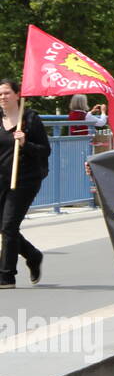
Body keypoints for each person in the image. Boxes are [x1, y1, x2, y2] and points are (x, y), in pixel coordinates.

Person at [0, 79, 50, 290]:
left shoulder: (30, 119)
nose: (3, 97)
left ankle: (6, 276)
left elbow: (45, 150)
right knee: (3, 227)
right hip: (2, 179)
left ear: (18, 95)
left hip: (24, 180)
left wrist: (25, 143)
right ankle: (33, 255)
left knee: (9, 226)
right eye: (0, 94)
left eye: (7, 93)